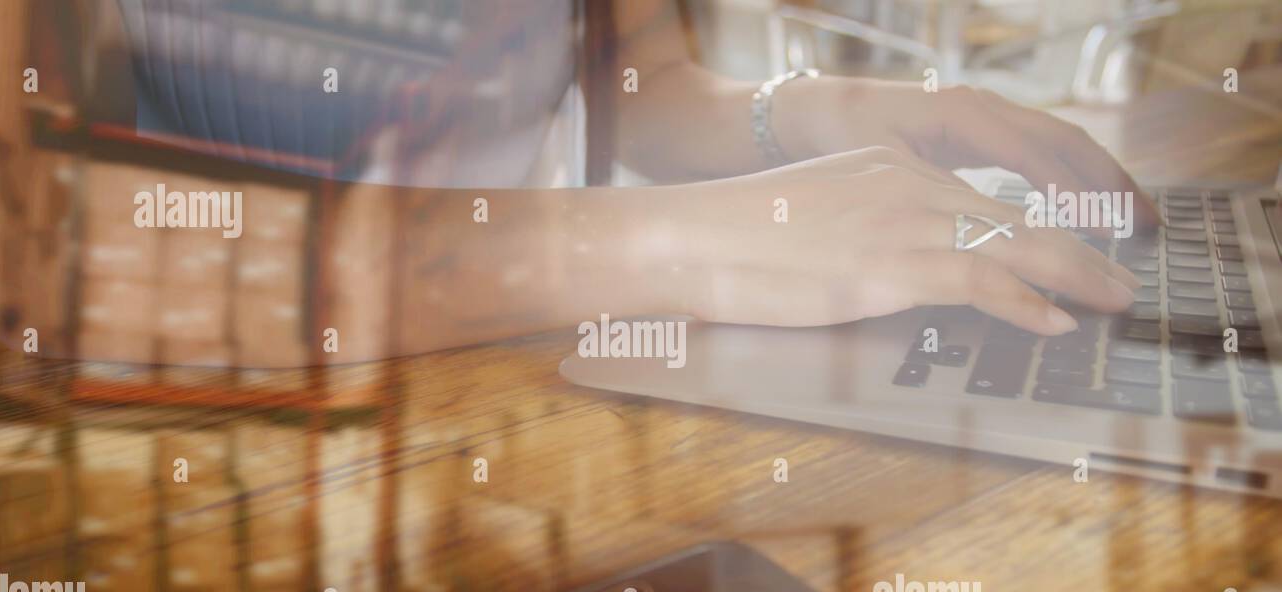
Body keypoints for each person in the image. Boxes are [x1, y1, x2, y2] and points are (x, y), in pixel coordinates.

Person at [108, 1, 1154, 361]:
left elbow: (634, 75)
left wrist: (801, 112)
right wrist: (664, 243)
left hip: (488, 397)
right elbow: (22, 242)